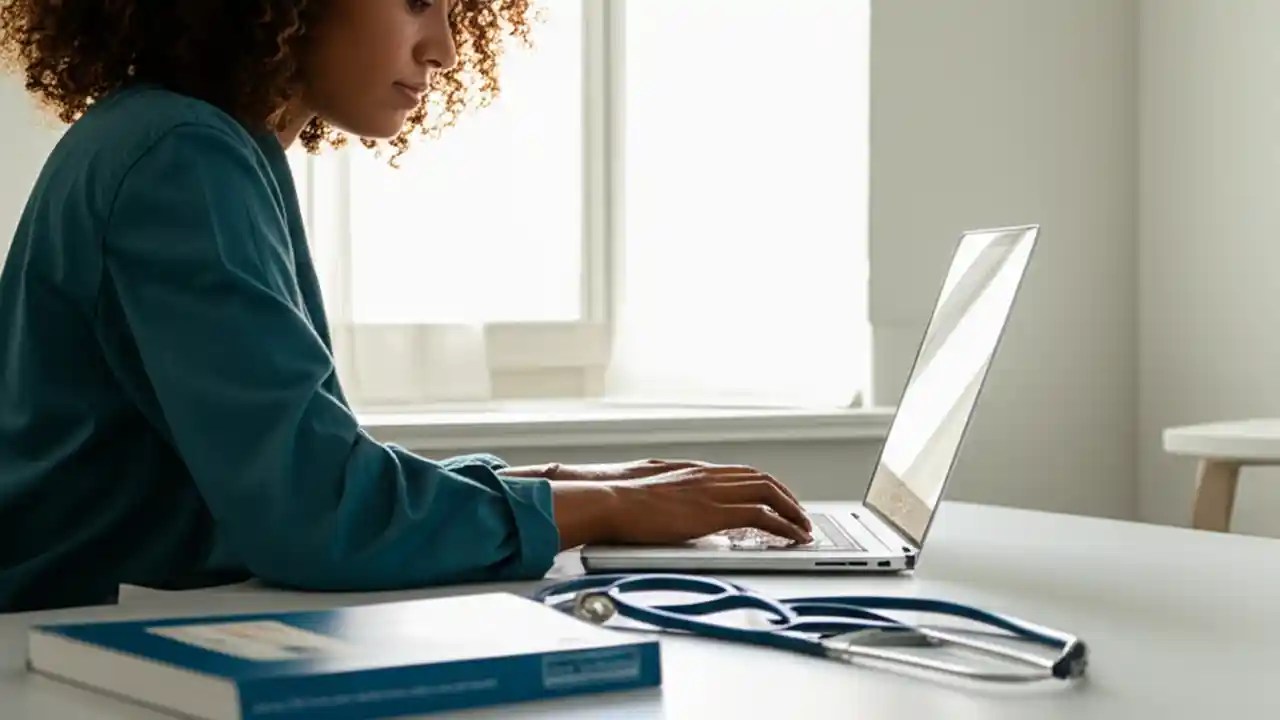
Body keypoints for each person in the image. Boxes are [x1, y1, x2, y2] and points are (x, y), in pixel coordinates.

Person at [0, 0, 812, 613]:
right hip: (50, 649)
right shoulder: (183, 159)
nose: (449, 48)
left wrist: (574, 481)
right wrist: (606, 507)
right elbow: (315, 513)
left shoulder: (197, 143)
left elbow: (302, 479)